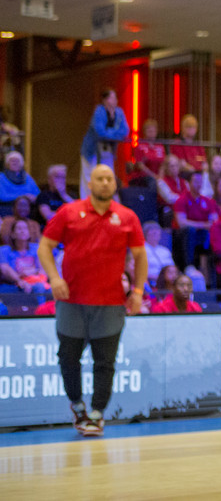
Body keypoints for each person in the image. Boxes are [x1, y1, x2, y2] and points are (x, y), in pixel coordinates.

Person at [36, 164, 147, 438]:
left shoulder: (127, 217)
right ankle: (77, 405)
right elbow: (44, 247)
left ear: (115, 184)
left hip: (110, 304)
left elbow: (140, 256)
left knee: (105, 362)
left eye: (110, 179)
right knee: (68, 358)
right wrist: (53, 278)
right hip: (72, 301)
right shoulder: (69, 212)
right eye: (100, 178)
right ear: (90, 183)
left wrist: (138, 291)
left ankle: (96, 415)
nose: (105, 183)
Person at [80, 89, 129, 195]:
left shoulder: (119, 112)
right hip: (92, 150)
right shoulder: (99, 111)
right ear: (105, 100)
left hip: (108, 150)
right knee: (90, 176)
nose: (115, 100)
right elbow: (100, 131)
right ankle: (86, 202)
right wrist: (115, 134)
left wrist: (110, 133)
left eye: (115, 97)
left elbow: (125, 131)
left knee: (107, 175)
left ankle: (104, 200)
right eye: (112, 97)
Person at [0, 150, 40, 214]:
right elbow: (2, 196)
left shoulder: (27, 177)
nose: (14, 163)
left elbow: (37, 194)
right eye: (12, 161)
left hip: (28, 209)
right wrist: (23, 196)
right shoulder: (1, 177)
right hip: (8, 209)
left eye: (17, 161)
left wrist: (32, 198)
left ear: (21, 164)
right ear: (7, 164)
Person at [129, 120, 165, 188]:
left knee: (166, 182)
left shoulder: (160, 145)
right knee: (153, 182)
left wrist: (160, 176)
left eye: (153, 131)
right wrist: (154, 176)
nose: (151, 133)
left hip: (158, 175)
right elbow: (140, 165)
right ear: (144, 132)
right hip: (143, 176)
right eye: (149, 131)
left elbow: (163, 164)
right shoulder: (140, 145)